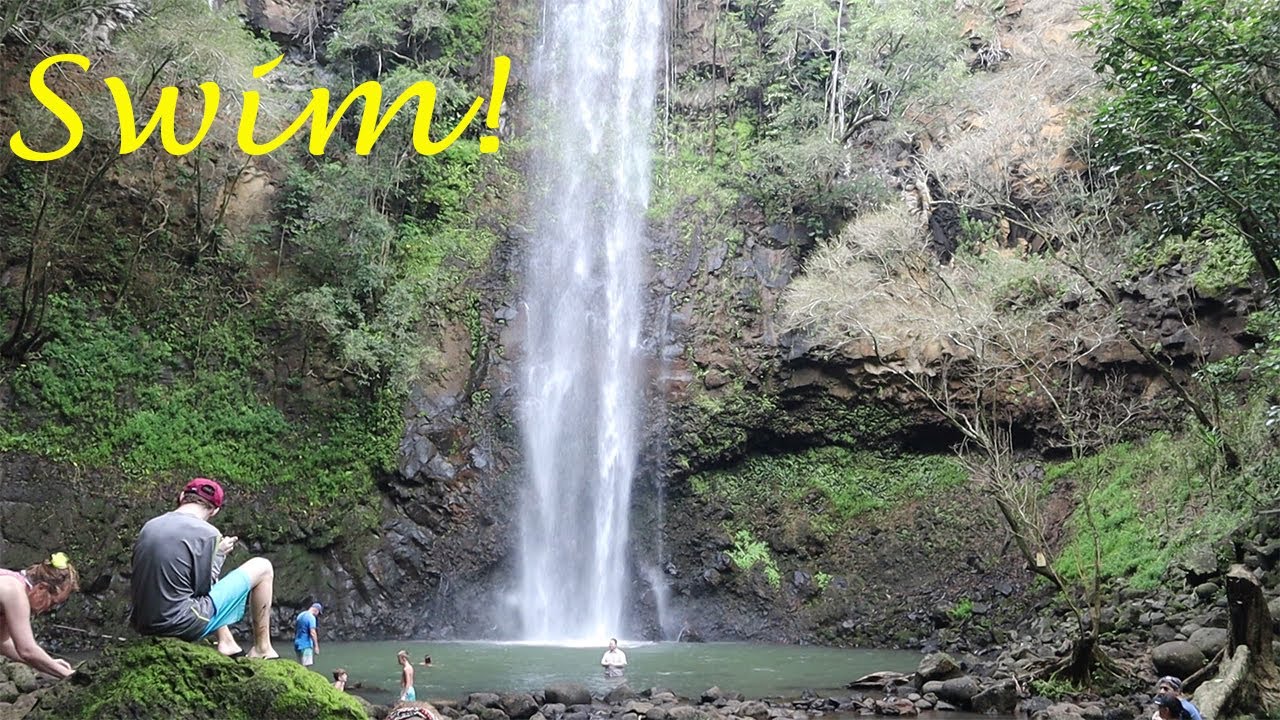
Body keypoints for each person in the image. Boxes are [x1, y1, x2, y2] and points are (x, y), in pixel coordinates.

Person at [130, 478, 277, 658]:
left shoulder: (149, 526)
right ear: (215, 510)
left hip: (143, 623)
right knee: (263, 567)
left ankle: (227, 642)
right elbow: (203, 591)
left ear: (182, 496)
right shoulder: (208, 534)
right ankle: (262, 649)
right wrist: (219, 555)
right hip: (179, 624)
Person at [0, 553, 79, 678]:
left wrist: (49, 663)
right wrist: (71, 676)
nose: (50, 609)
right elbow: (27, 650)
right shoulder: (15, 593)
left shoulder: (12, 581)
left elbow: (2, 642)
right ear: (42, 588)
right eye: (52, 602)